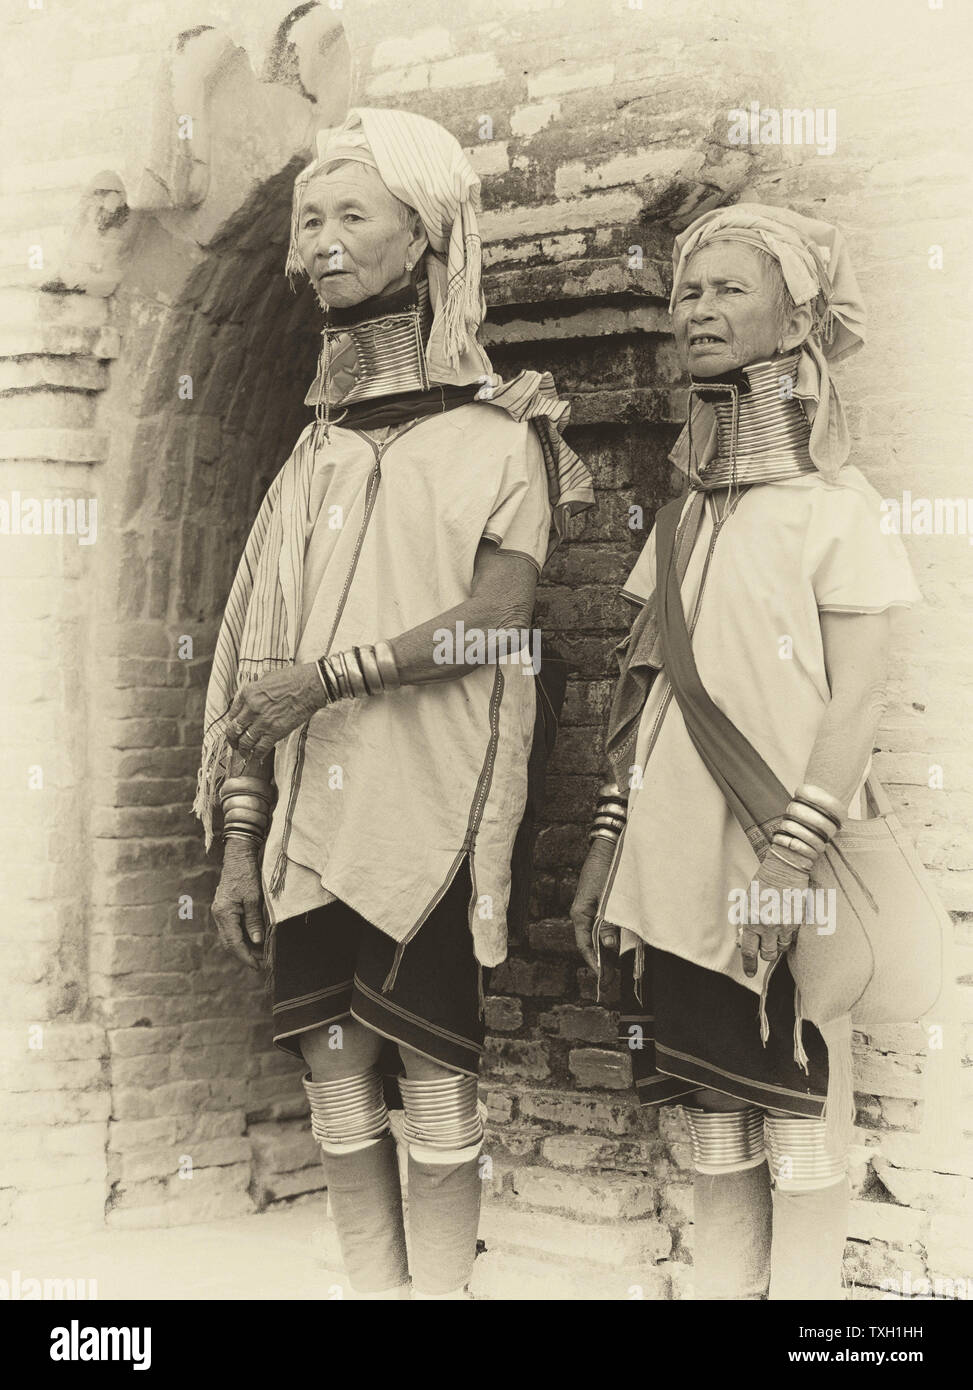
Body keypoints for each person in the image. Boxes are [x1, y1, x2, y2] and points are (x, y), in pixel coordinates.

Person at [195, 107, 593, 1300]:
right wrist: (236, 843)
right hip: (310, 824)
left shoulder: (497, 442)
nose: (318, 241)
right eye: (308, 219)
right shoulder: (305, 461)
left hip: (430, 805)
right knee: (330, 1066)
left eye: (350, 215)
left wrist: (335, 675)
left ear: (425, 240)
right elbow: (260, 665)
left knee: (431, 1078)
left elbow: (499, 620)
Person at [570, 204, 921, 1300]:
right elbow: (641, 700)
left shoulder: (835, 508)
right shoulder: (680, 523)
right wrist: (606, 844)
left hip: (787, 856)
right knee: (711, 1115)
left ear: (796, 316)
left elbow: (857, 696)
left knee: (800, 1109)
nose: (699, 310)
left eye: (728, 288)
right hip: (675, 858)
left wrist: (784, 860)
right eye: (687, 291)